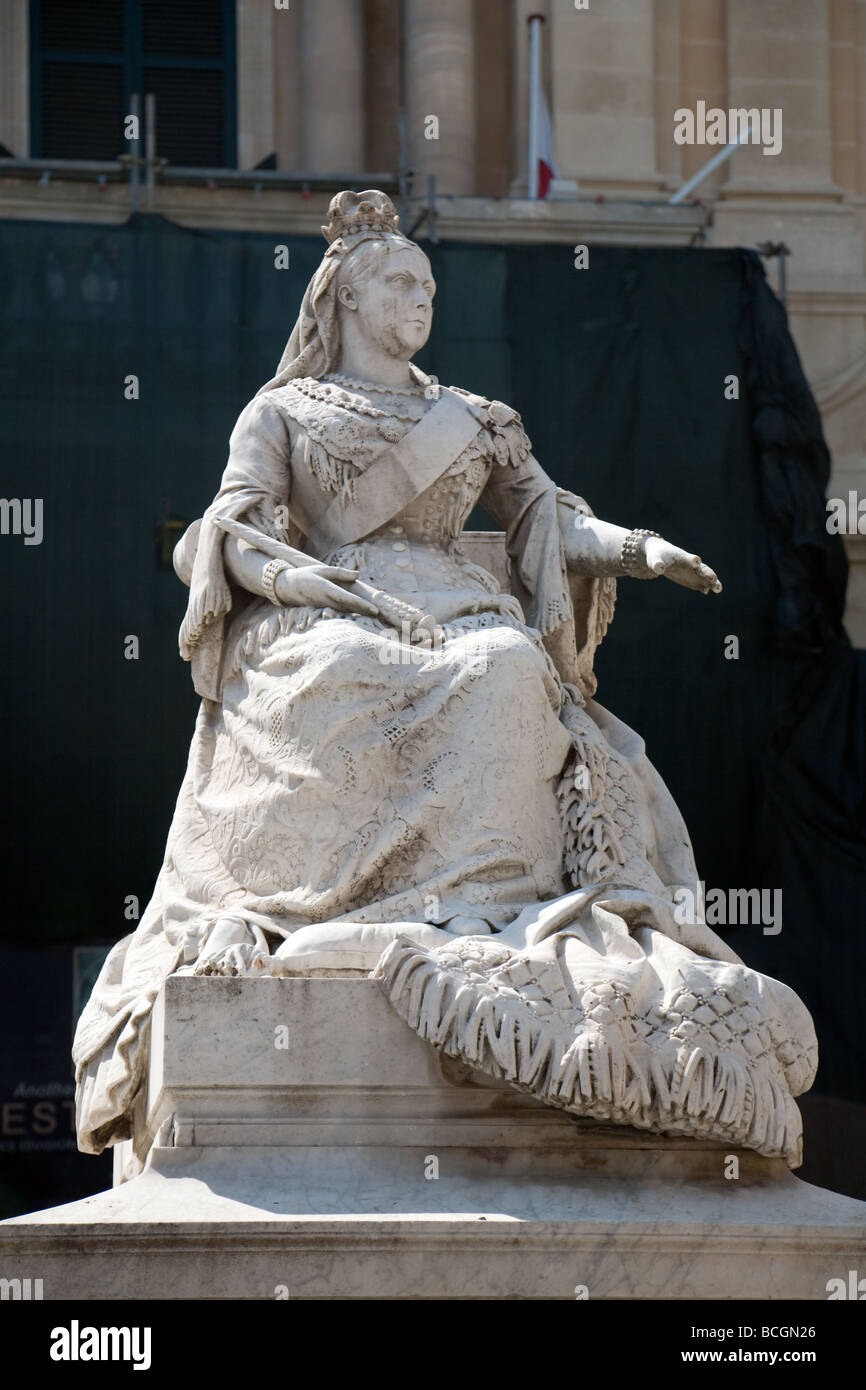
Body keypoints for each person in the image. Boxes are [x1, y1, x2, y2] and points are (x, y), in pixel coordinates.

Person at [74, 190, 816, 1162]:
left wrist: (636, 548)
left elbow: (542, 519)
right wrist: (297, 577)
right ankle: (334, 903)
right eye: (398, 283)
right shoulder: (282, 411)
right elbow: (234, 528)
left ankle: (484, 913)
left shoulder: (469, 418)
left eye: (426, 284)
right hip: (325, 610)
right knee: (335, 669)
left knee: (508, 668)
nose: (420, 298)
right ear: (343, 298)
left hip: (459, 607)